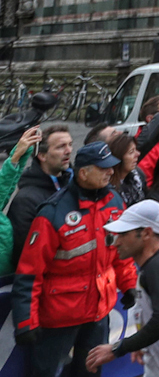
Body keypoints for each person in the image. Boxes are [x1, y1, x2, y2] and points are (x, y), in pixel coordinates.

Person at [14, 141, 135, 376]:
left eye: (111, 167)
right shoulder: (53, 213)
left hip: (99, 313)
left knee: (90, 371)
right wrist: (25, 321)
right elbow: (30, 272)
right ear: (83, 172)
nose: (111, 172)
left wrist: (128, 283)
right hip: (60, 319)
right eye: (104, 168)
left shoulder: (115, 202)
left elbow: (121, 251)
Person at [81, 200, 159, 376]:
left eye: (123, 234)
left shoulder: (158, 267)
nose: (116, 242)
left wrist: (118, 348)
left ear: (146, 233)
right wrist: (142, 342)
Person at [7, 123, 71, 269]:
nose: (69, 151)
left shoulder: (74, 186)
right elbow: (25, 254)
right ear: (42, 155)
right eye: (61, 146)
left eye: (70, 144)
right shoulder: (26, 199)